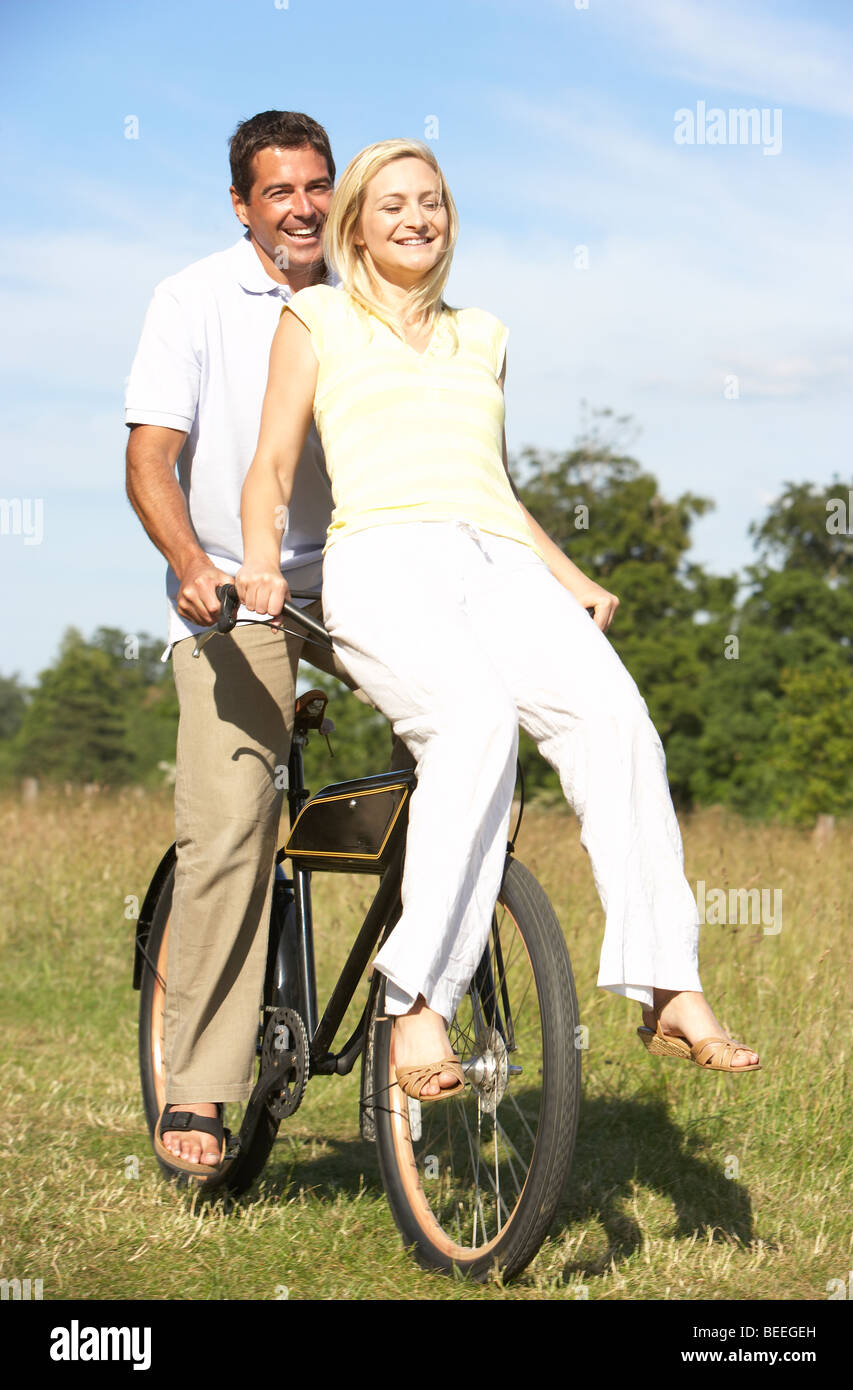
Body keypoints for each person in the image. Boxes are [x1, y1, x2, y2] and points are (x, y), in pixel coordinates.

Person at [237, 138, 760, 1101]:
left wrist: (569, 575)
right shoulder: (316, 316)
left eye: (431, 201)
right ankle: (418, 1000)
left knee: (617, 723)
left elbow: (494, 485)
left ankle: (668, 984)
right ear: (356, 222)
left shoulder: (486, 334)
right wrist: (263, 563)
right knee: (474, 724)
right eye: (391, 203)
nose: (415, 218)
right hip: (383, 556)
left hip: (499, 562)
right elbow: (273, 463)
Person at [126, 110, 346, 1172]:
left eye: (315, 185)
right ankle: (203, 1086)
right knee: (231, 823)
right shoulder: (193, 298)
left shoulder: (367, 294)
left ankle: (426, 1014)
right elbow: (150, 459)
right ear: (241, 204)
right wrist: (191, 565)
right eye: (278, 191)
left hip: (350, 579)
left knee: (471, 741)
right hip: (231, 586)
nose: (301, 206)